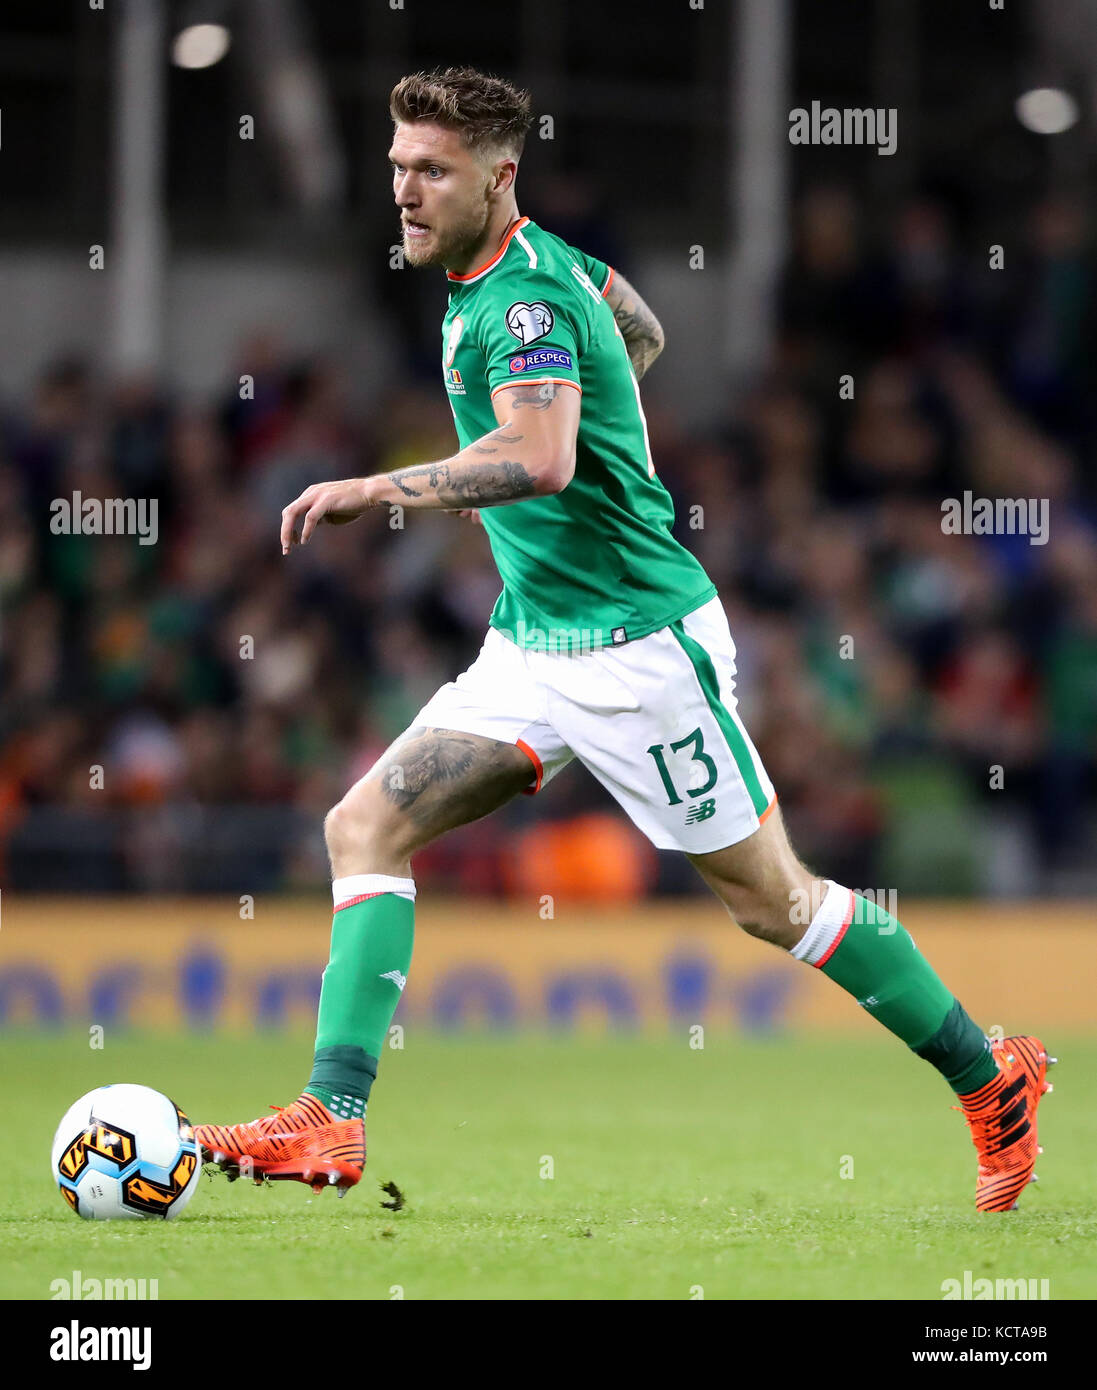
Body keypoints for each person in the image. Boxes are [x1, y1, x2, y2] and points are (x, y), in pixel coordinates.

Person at [195, 67, 1053, 1212]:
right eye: (398, 165)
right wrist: (603, 404)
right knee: (362, 824)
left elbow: (540, 459)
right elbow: (635, 329)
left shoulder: (524, 305)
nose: (403, 190)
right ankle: (331, 1118)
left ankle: (985, 1073)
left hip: (637, 647)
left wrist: (379, 485)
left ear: (499, 178)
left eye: (430, 171)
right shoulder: (529, 271)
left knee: (774, 904)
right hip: (531, 640)